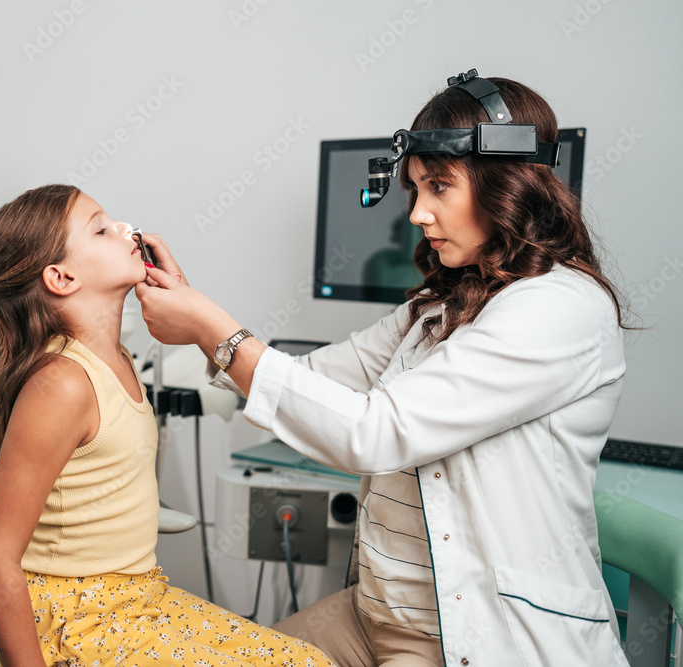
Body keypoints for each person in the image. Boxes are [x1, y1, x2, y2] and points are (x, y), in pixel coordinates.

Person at [135, 75, 631, 666]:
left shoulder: (559, 308)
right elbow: (316, 376)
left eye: (439, 186)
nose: (418, 213)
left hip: (468, 635)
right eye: (415, 188)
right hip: (376, 615)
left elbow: (376, 433)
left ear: (509, 184)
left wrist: (210, 327)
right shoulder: (443, 305)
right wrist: (199, 322)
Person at [0, 184, 337, 667]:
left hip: (138, 600)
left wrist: (188, 305)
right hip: (75, 623)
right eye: (101, 229)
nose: (126, 228)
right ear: (61, 277)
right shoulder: (62, 385)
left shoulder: (117, 359)